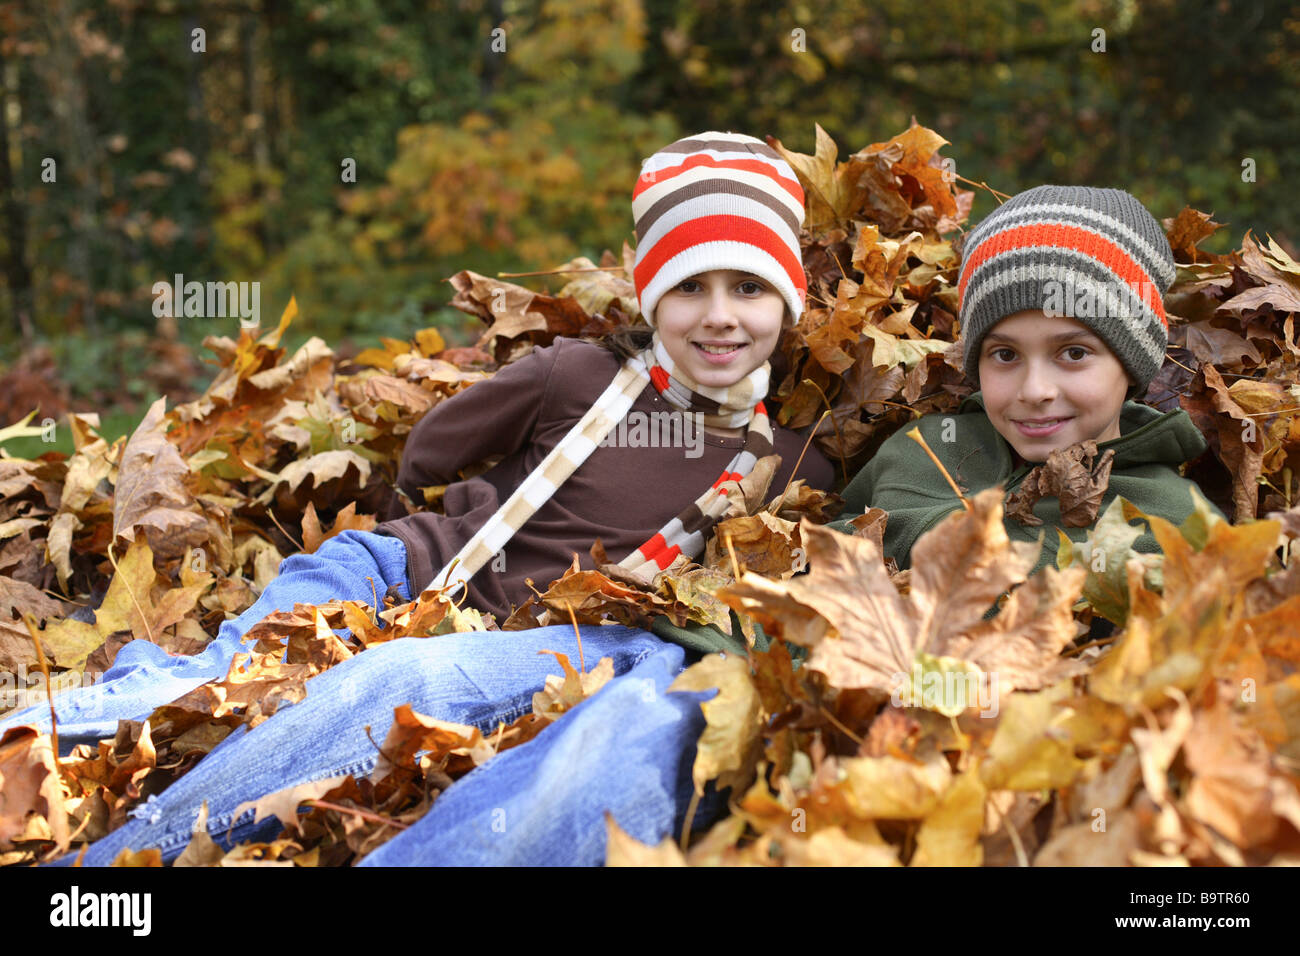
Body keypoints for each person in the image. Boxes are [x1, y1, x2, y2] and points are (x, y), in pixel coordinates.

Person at [4, 130, 833, 865]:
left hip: (542, 645)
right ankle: (43, 724)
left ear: (788, 302)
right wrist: (470, 511)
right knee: (215, 675)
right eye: (690, 288)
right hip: (396, 569)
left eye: (750, 289)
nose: (721, 316)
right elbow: (435, 448)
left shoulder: (793, 466)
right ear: (652, 296)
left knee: (378, 687)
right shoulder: (574, 374)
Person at [832, 184, 1226, 574]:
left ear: (1132, 361)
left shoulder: (1173, 526)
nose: (1035, 390)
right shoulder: (921, 451)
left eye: (1073, 353)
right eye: (1005, 355)